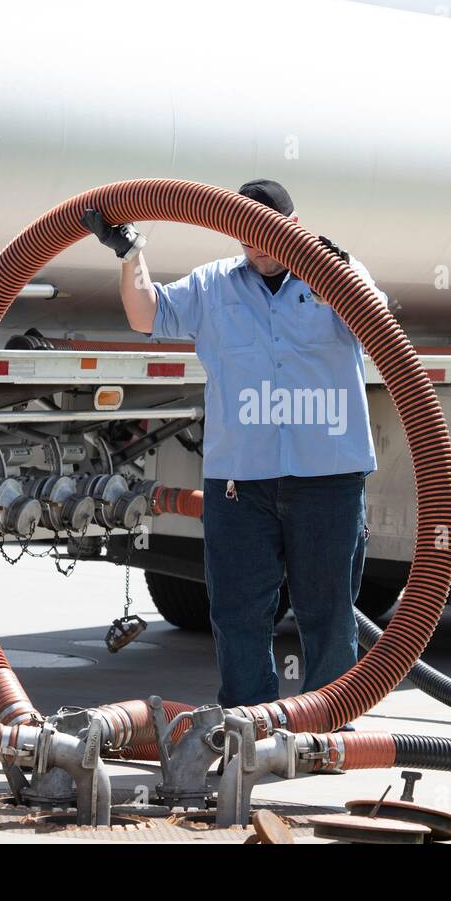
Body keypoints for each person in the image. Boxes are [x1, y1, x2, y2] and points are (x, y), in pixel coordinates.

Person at [82, 179, 387, 714]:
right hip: (239, 485)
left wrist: (338, 273)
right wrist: (131, 256)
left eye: (269, 235)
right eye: (246, 237)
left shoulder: (335, 274)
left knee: (328, 612)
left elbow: (379, 327)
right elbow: (145, 314)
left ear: (293, 225)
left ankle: (325, 731)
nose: (258, 249)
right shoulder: (214, 286)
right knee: (239, 613)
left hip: (327, 480)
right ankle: (250, 728)